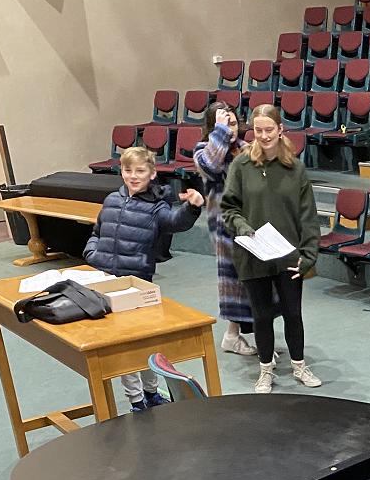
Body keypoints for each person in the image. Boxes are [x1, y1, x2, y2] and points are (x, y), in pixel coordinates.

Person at [83, 146, 203, 412]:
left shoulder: (155, 206)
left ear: (151, 173)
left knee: (145, 342)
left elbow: (174, 222)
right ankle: (136, 400)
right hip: (107, 282)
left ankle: (151, 393)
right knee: (123, 346)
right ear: (121, 172)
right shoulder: (112, 200)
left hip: (138, 283)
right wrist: (92, 252)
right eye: (128, 170)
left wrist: (191, 207)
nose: (133, 176)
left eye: (140, 171)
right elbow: (97, 230)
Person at [220, 104, 322, 394]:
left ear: (280, 130)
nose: (263, 136)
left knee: (293, 313)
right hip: (253, 254)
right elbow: (229, 208)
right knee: (261, 315)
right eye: (258, 130)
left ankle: (300, 366)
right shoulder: (240, 166)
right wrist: (241, 227)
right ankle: (265, 371)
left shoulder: (295, 168)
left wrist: (308, 255)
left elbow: (308, 217)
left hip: (288, 255)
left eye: (269, 130)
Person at [194, 100, 257, 356]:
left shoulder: (245, 148)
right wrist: (219, 132)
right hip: (223, 224)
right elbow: (212, 165)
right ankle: (232, 335)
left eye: (232, 123)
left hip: (249, 220)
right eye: (223, 124)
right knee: (233, 280)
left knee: (253, 278)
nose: (230, 129)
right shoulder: (202, 151)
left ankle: (249, 333)